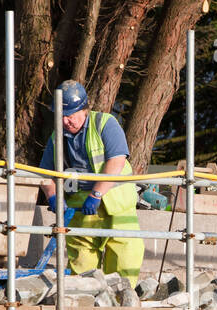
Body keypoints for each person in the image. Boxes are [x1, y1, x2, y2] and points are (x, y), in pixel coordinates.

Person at [36, 80, 143, 279]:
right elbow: (45, 174)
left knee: (124, 256)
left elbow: (117, 161)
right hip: (80, 207)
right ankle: (85, 301)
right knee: (82, 262)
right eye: (62, 117)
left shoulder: (105, 123)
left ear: (84, 109)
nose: (67, 121)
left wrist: (96, 194)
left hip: (115, 202)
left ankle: (121, 302)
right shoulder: (56, 137)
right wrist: (53, 199)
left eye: (71, 115)